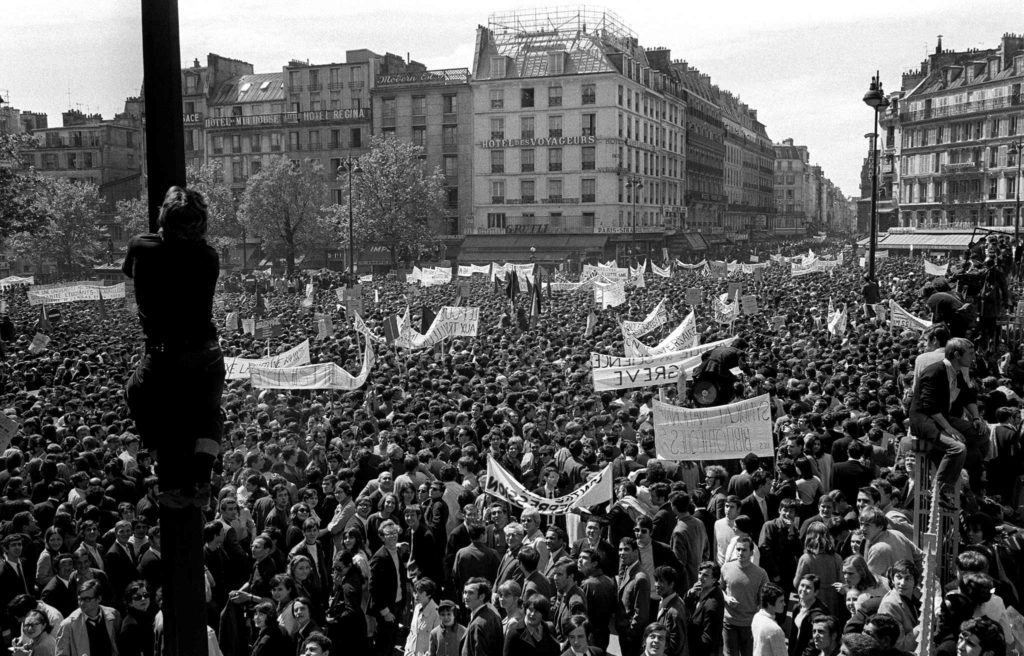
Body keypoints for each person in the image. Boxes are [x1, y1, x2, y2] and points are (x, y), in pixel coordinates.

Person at [123, 185, 225, 506]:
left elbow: (129, 271)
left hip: (166, 356)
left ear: (164, 218)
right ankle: (202, 475)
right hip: (208, 354)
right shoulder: (209, 257)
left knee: (137, 394)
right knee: (208, 413)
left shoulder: (141, 246)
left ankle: (166, 474)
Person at [908, 337, 984, 505]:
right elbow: (930, 408)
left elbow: (967, 396)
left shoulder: (956, 373)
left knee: (980, 435)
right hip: (926, 420)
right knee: (958, 448)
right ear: (957, 355)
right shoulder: (935, 372)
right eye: (970, 353)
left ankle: (955, 466)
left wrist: (977, 418)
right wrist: (949, 429)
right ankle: (940, 489)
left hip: (943, 418)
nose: (973, 357)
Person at [721, 536, 768, 656]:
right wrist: (726, 598)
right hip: (729, 622)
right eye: (738, 549)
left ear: (751, 553)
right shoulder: (726, 568)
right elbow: (719, 589)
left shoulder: (760, 574)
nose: (740, 553)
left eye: (744, 550)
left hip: (749, 624)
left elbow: (765, 600)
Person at [54, 580, 121, 656]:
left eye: (87, 599)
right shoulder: (68, 625)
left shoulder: (114, 615)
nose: (82, 603)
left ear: (99, 599)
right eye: (80, 599)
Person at [368, 520, 405, 656]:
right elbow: (373, 588)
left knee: (391, 643)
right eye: (389, 534)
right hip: (386, 609)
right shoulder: (379, 557)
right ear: (382, 537)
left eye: (395, 532)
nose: (393, 536)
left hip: (397, 604)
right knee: (383, 645)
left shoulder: (396, 551)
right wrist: (385, 612)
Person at [615, 537, 651, 656]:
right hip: (624, 632)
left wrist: (630, 632)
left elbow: (641, 614)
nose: (622, 553)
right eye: (620, 550)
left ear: (636, 552)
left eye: (626, 549)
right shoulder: (628, 569)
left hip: (631, 637)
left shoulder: (640, 578)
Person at [576, 548, 616, 651]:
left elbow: (582, 613)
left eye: (584, 558)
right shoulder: (608, 580)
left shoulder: (588, 584)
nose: (579, 560)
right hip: (604, 634)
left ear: (594, 563)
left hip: (590, 636)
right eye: (579, 557)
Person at [684, 561, 725, 656]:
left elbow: (708, 638)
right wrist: (690, 593)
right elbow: (686, 603)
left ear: (714, 579)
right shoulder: (701, 589)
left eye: (705, 575)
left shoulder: (712, 605)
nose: (700, 578)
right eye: (699, 573)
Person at [788, 574, 828, 656]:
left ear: (816, 592)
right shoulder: (797, 608)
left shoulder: (818, 614)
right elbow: (793, 637)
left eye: (808, 587)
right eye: (802, 585)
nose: (803, 589)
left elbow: (815, 644)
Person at [462, 577, 503, 656]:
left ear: (482, 596)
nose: (465, 597)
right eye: (465, 592)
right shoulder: (492, 614)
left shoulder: (478, 623)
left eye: (470, 593)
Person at [653, 565, 687, 656]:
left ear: (671, 584)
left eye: (661, 581)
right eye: (656, 580)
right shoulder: (669, 601)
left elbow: (674, 646)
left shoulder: (673, 612)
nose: (657, 585)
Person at [405, 578, 440, 656]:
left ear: (429, 594)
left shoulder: (436, 613)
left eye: (420, 592)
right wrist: (407, 649)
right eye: (415, 592)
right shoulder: (417, 608)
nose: (416, 595)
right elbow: (412, 632)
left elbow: (437, 641)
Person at [750, 583, 787, 656]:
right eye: (781, 601)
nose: (784, 604)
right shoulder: (775, 630)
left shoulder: (757, 617)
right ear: (769, 604)